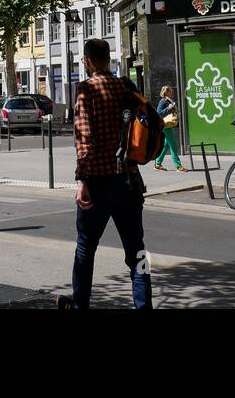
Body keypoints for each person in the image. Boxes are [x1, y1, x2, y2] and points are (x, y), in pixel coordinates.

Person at [58, 37, 151, 310]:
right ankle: (144, 306)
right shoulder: (126, 86)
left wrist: (82, 180)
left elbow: (84, 138)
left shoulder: (86, 89)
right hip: (129, 180)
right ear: (108, 59)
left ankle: (80, 305)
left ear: (87, 61)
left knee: (86, 249)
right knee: (137, 252)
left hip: (98, 183)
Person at [154, 85, 185, 172]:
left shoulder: (168, 100)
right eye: (170, 91)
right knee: (173, 145)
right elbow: (159, 113)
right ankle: (178, 166)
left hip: (168, 125)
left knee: (166, 145)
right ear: (166, 92)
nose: (172, 92)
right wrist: (169, 108)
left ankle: (158, 163)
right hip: (165, 125)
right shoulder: (163, 101)